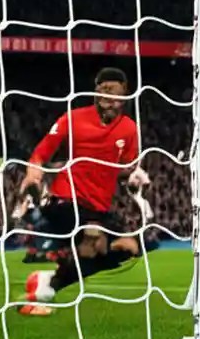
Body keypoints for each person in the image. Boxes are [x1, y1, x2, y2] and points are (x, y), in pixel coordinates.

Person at [17, 67, 150, 315]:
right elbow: (41, 153)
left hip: (99, 207)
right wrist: (34, 175)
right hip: (65, 200)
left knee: (131, 248)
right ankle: (45, 286)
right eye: (105, 92)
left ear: (124, 96)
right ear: (96, 93)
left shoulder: (129, 129)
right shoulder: (73, 118)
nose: (110, 99)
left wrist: (134, 176)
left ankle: (48, 285)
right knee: (93, 237)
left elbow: (126, 167)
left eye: (116, 94)